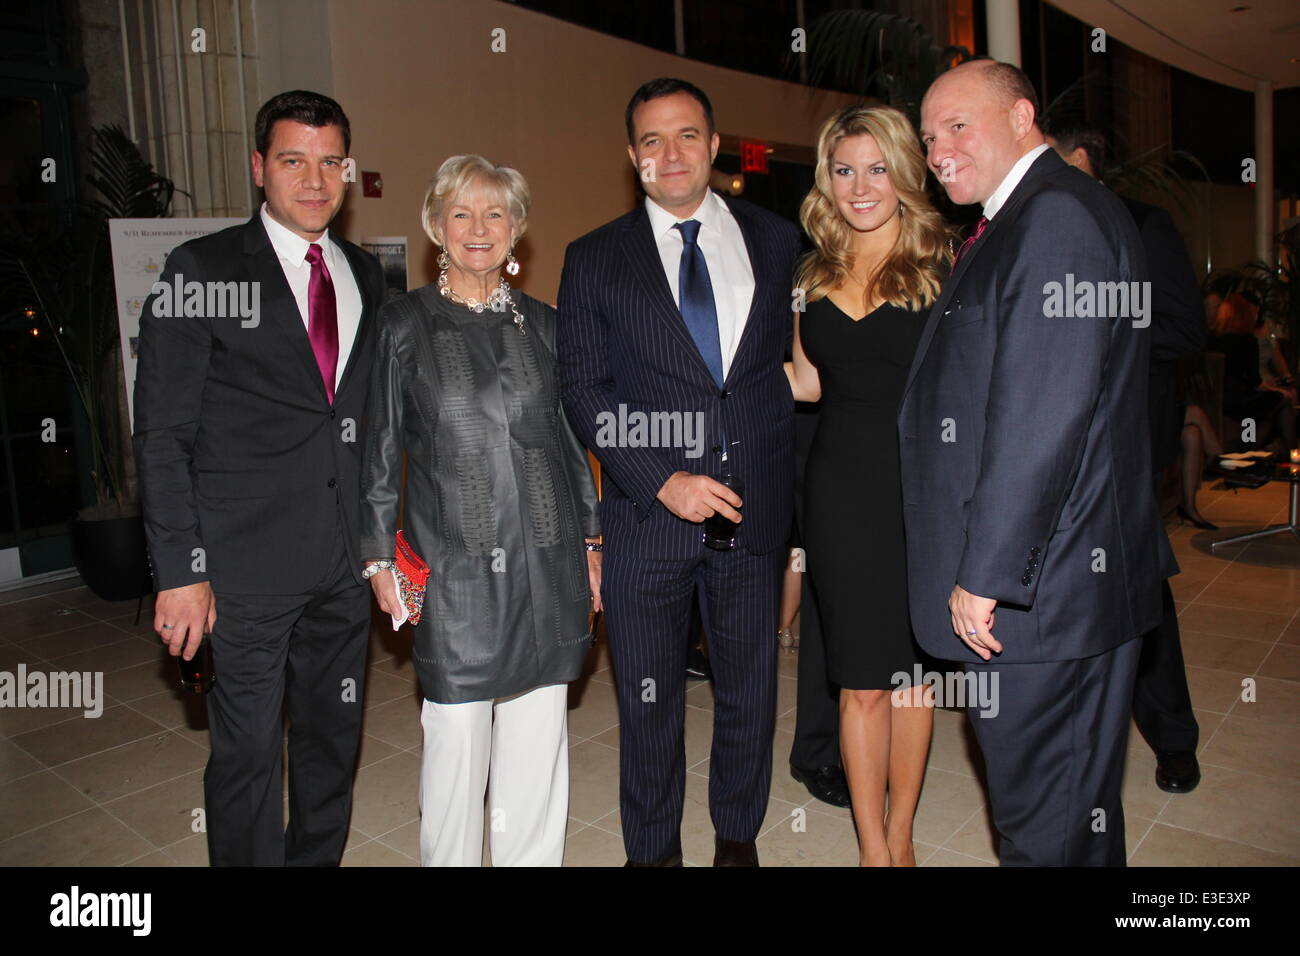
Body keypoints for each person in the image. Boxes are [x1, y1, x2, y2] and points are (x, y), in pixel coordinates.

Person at [902, 60, 1173, 865]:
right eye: (927, 136)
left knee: (1043, 829)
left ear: (1023, 117)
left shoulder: (1052, 218)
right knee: (1068, 817)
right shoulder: (1030, 215)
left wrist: (985, 573)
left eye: (958, 125)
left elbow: (1041, 416)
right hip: (1053, 588)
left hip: (1043, 597)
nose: (939, 149)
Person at [134, 91, 386, 866]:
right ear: (258, 168)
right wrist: (180, 571)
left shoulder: (367, 276)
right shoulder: (203, 268)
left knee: (330, 745)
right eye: (292, 160)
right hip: (239, 572)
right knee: (244, 760)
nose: (314, 180)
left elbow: (370, 422)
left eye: (329, 161)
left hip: (342, 566)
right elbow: (162, 434)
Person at [557, 77, 801, 867]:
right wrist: (663, 479)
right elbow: (583, 388)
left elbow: (780, 372)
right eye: (652, 140)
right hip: (646, 520)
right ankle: (653, 853)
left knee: (749, 695)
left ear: (714, 144)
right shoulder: (594, 257)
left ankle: (737, 840)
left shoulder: (774, 239)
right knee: (649, 703)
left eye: (687, 135)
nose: (671, 153)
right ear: (632, 156)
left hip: (752, 513)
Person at [359, 155, 601, 867]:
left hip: (549, 567)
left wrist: (592, 545)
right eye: (461, 213)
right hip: (456, 574)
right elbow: (376, 450)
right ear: (436, 226)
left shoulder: (547, 326)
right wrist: (378, 556)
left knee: (538, 751)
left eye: (496, 213)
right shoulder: (402, 326)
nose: (478, 228)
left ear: (518, 229)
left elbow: (570, 444)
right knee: (456, 754)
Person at [785, 104, 949, 865]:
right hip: (840, 489)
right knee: (858, 678)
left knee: (913, 676)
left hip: (920, 486)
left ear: (903, 173)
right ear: (827, 180)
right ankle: (874, 850)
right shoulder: (810, 273)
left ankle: (907, 832)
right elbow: (810, 384)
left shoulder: (942, 261)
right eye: (844, 169)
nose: (860, 185)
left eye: (877, 168)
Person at [1046, 122, 1204, 793]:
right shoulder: (1031, 229)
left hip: (1124, 447)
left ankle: (1175, 741)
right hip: (1050, 443)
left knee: (1139, 594)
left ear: (1080, 160)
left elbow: (1181, 329)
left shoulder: (1144, 224)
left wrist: (1093, 326)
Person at [1209, 293, 1296, 450]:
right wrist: (1278, 391)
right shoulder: (1247, 341)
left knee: (1270, 409)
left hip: (1216, 399)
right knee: (1281, 403)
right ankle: (1282, 452)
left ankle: (1252, 448)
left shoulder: (1211, 340)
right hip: (1240, 401)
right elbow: (1254, 381)